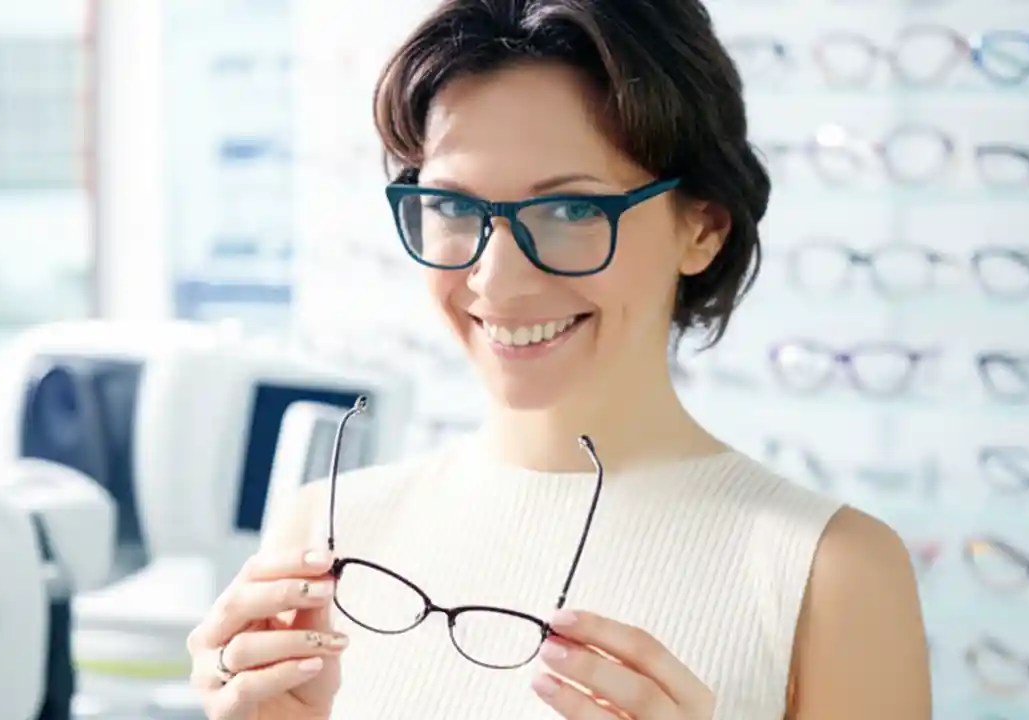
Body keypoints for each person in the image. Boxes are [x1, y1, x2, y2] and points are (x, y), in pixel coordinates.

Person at [185, 0, 932, 718]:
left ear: (702, 228)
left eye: (573, 209)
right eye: (453, 207)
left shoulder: (831, 572)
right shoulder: (327, 530)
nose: (498, 280)